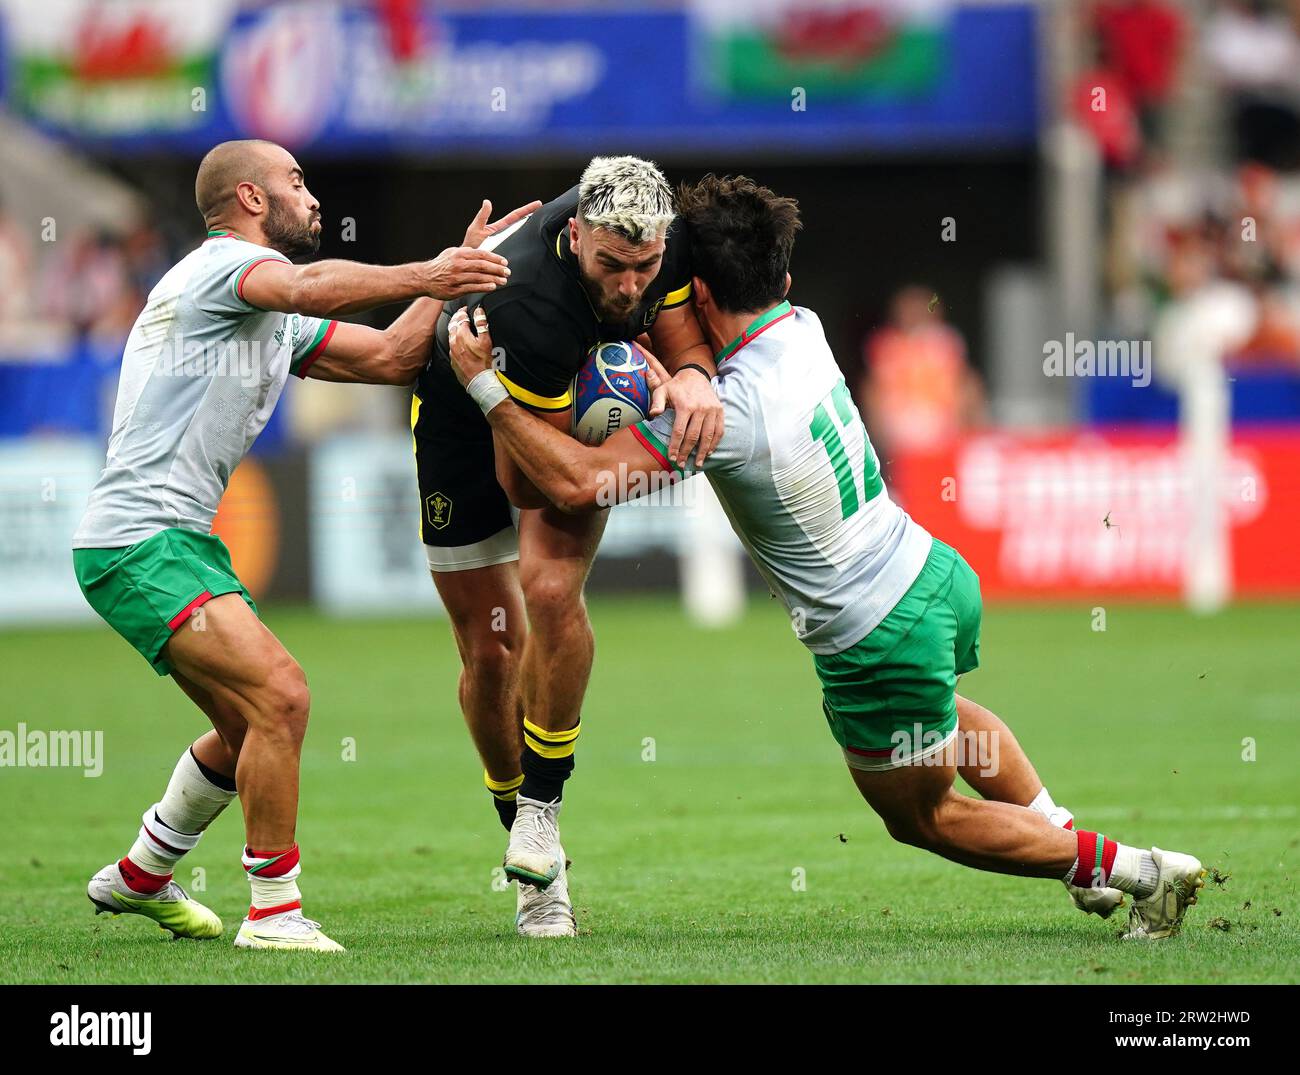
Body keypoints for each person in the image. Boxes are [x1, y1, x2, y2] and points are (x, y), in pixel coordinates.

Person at [447, 174, 1207, 941]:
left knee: (929, 817)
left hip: (876, 635)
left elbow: (572, 483)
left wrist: (486, 387)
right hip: (932, 570)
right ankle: (1060, 831)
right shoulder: (802, 326)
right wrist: (665, 361)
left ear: (697, 293)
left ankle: (1136, 870)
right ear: (782, 279)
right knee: (947, 723)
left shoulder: (724, 420)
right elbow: (698, 351)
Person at [73, 138, 537, 952]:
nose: (314, 197)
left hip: (177, 542)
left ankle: (144, 870)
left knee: (250, 724)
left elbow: (394, 357)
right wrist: (431, 272)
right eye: (296, 182)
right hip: (139, 540)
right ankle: (274, 913)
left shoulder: (267, 313)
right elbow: (304, 282)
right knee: (282, 695)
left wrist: (461, 265)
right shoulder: (218, 268)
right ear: (251, 199)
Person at [412, 156, 722, 937]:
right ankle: (519, 822)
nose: (629, 287)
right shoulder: (528, 298)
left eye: (644, 267)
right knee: (491, 655)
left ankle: (541, 823)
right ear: (575, 232)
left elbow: (680, 322)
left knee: (550, 593)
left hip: (558, 400)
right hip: (464, 408)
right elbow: (532, 484)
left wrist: (690, 373)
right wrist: (489, 390)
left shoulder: (665, 239)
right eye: (612, 267)